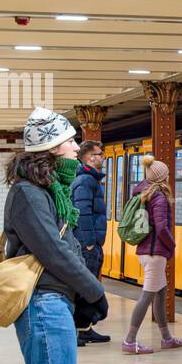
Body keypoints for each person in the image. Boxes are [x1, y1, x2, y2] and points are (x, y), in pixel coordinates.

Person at [2, 107, 107, 364]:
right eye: (70, 142)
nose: (77, 148)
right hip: (45, 305)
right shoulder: (29, 194)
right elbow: (54, 251)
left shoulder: (46, 191)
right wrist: (94, 291)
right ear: (50, 149)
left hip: (52, 302)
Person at [124, 154, 182, 353]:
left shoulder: (143, 191)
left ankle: (167, 338)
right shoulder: (158, 196)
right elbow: (161, 227)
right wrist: (172, 245)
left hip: (146, 250)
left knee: (160, 294)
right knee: (147, 296)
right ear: (162, 177)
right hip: (155, 253)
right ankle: (130, 341)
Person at [70, 140, 109, 345]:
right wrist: (89, 242)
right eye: (100, 154)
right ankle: (80, 329)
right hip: (88, 245)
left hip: (91, 242)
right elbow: (82, 211)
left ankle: (85, 328)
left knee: (89, 284)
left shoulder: (89, 179)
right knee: (87, 286)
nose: (102, 157)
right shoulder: (85, 181)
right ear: (90, 158)